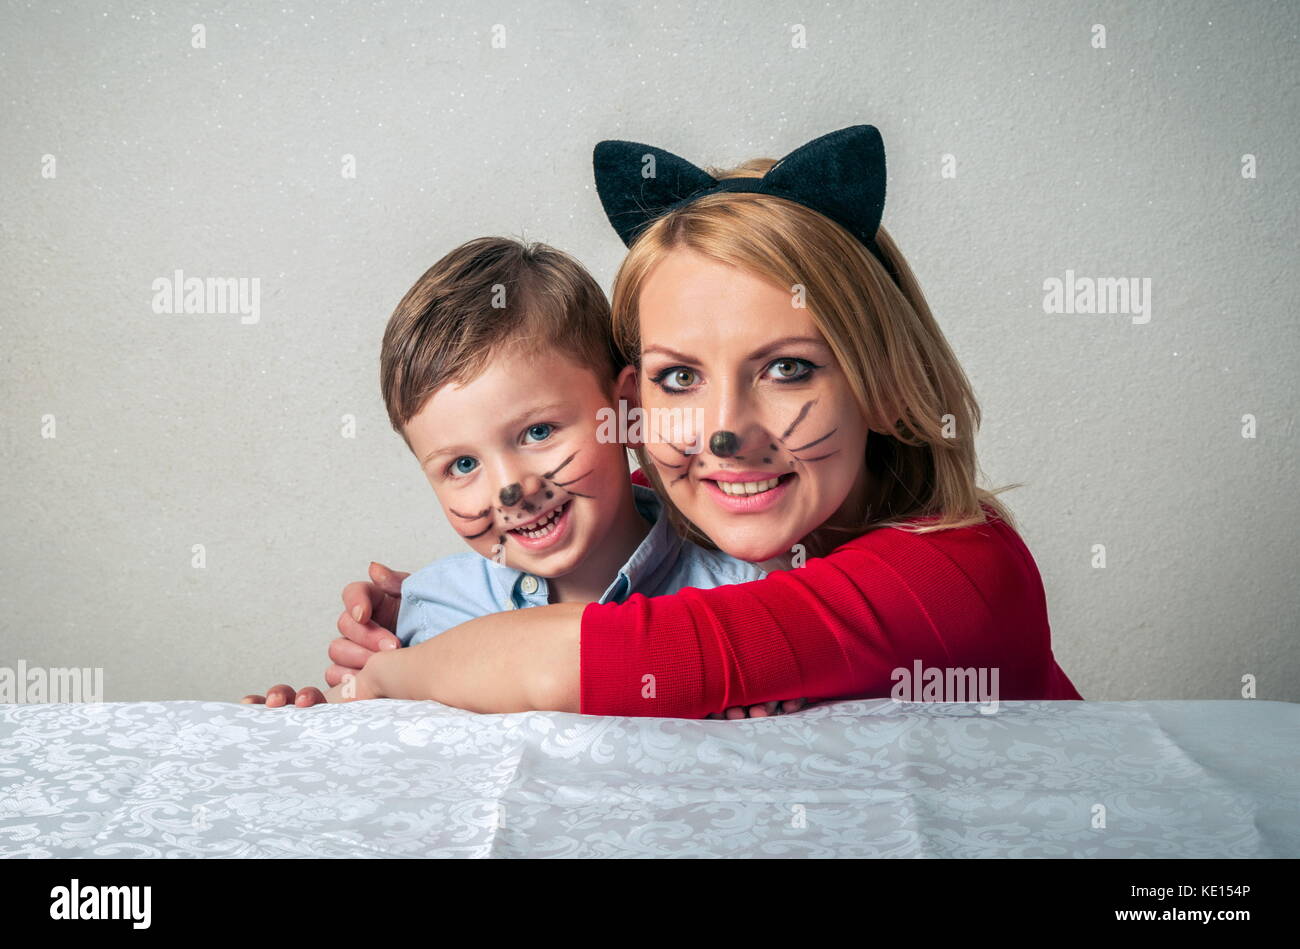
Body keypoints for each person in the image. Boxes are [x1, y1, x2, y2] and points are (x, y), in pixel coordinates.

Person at [315, 124, 1084, 716]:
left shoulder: (958, 570)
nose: (725, 433)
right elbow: (579, 588)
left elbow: (582, 658)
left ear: (883, 383)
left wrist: (393, 675)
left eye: (787, 369)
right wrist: (439, 606)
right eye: (679, 377)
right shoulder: (688, 499)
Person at [241, 236, 776, 712]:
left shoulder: (745, 599)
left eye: (538, 432)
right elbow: (377, 740)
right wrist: (309, 720)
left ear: (627, 410)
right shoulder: (431, 609)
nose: (510, 488)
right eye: (462, 465)